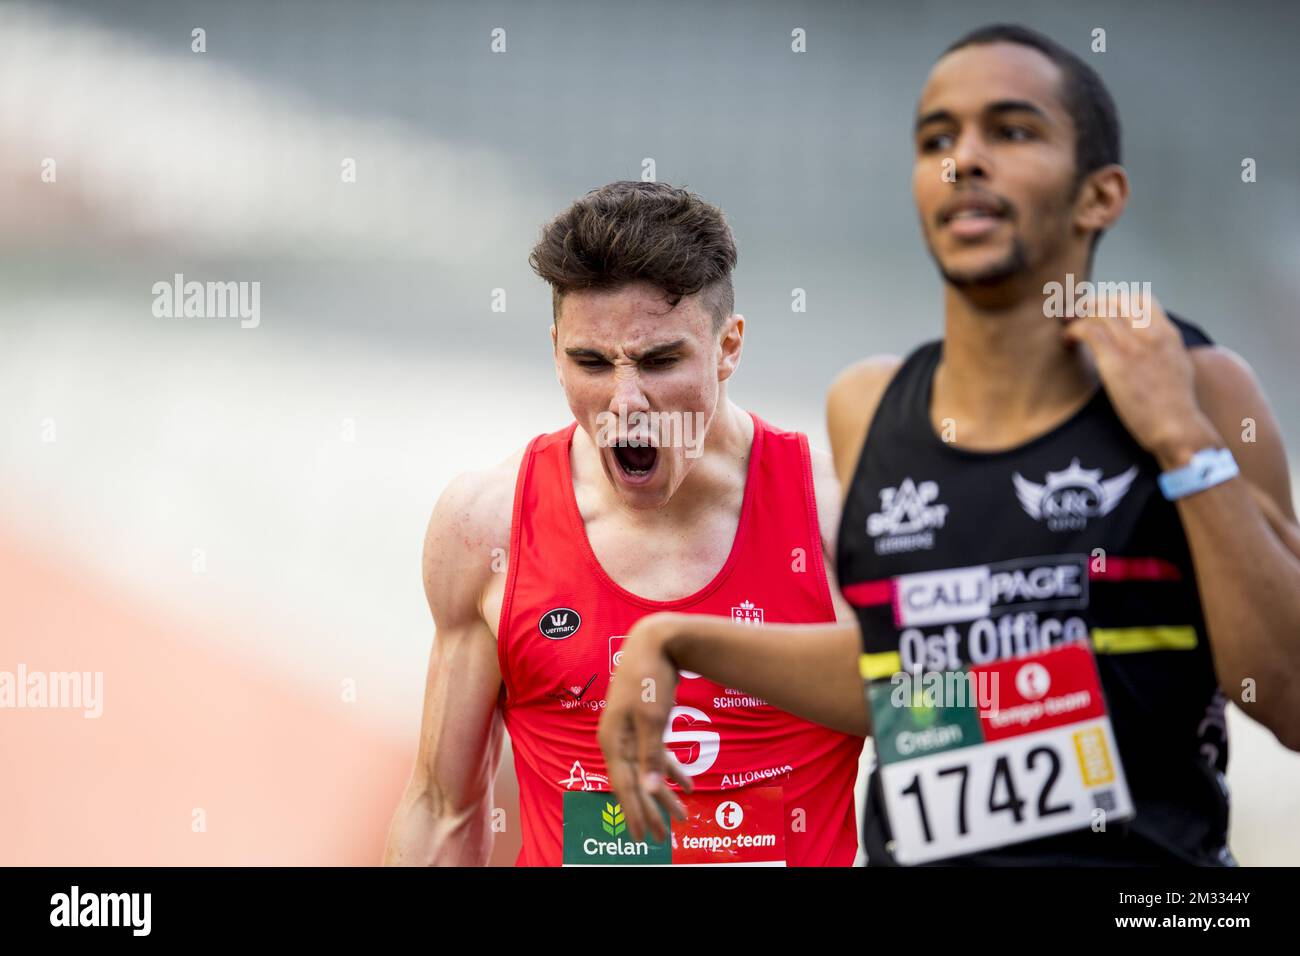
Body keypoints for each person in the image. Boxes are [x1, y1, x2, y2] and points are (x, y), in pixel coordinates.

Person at [599, 24, 1300, 865]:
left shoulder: (1204, 386)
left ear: (1099, 196)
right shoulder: (869, 406)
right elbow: (902, 681)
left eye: (1012, 131)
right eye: (938, 138)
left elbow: (1289, 700)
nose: (964, 159)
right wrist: (676, 638)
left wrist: (1183, 440)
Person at [383, 180, 864, 866]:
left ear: (729, 347)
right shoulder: (486, 527)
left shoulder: (837, 517)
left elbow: (942, 750)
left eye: (660, 360)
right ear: (555, 352)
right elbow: (442, 808)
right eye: (591, 363)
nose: (625, 402)